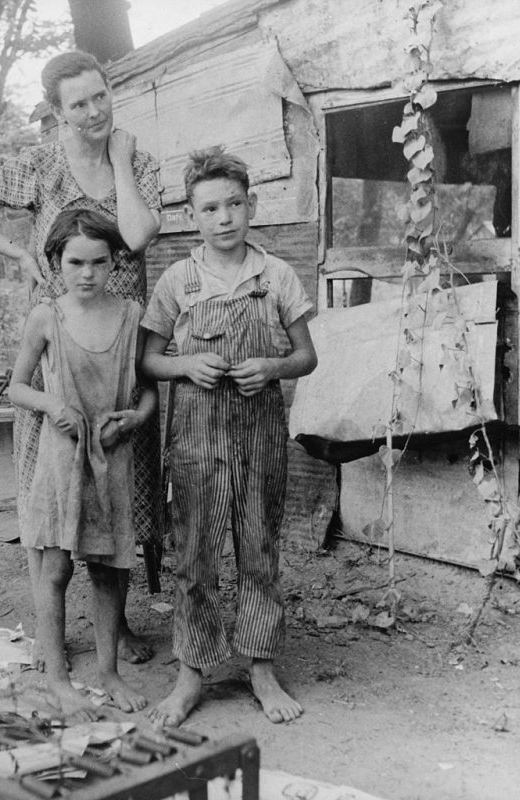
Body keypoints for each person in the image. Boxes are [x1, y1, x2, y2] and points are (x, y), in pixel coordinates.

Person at [0, 50, 162, 666]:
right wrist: (18, 253)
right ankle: (51, 631)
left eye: (101, 96)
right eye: (78, 104)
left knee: (118, 479)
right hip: (59, 343)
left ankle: (116, 626)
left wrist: (118, 161)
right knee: (50, 480)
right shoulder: (38, 165)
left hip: (120, 344)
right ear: (56, 111)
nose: (94, 112)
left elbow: (137, 236)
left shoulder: (139, 162)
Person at [141, 147, 317, 726]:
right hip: (196, 440)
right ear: (192, 216)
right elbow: (148, 359)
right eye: (210, 208)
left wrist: (272, 367)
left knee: (259, 551)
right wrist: (185, 366)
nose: (224, 218)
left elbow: (306, 356)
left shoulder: (276, 275)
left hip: (260, 435)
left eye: (234, 204)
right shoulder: (178, 280)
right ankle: (191, 674)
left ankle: (261, 668)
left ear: (252, 206)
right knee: (194, 556)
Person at [8, 209, 157, 719]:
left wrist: (135, 418)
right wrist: (52, 404)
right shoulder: (47, 317)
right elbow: (17, 387)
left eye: (99, 262)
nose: (87, 273)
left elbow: (149, 390)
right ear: (56, 262)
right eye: (75, 262)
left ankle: (109, 673)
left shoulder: (132, 315)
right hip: (61, 459)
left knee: (109, 571)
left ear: (115, 262)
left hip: (112, 457)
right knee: (55, 567)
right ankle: (58, 680)